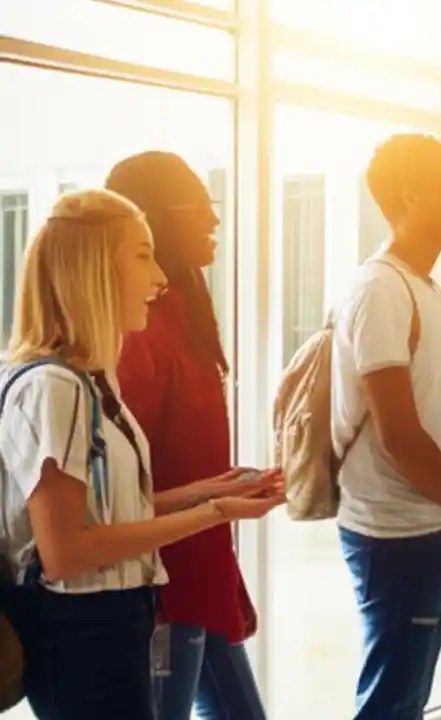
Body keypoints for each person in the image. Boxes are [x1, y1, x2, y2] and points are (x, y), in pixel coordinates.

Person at [0, 189, 283, 719]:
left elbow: (105, 517)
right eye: (142, 254)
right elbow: (66, 552)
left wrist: (210, 489)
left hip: (110, 623)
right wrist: (213, 514)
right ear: (93, 267)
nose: (159, 278)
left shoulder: (86, 380)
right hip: (82, 634)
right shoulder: (55, 387)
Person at [330, 135, 441, 720]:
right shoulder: (381, 289)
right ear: (409, 195)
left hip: (432, 524)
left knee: (405, 698)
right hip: (396, 533)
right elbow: (399, 435)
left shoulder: (423, 287)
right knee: (392, 702)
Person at [105, 151, 266, 719]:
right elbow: (121, 487)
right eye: (200, 208)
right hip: (164, 583)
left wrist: (228, 487)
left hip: (199, 564)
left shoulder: (182, 315)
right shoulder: (142, 333)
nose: (214, 221)